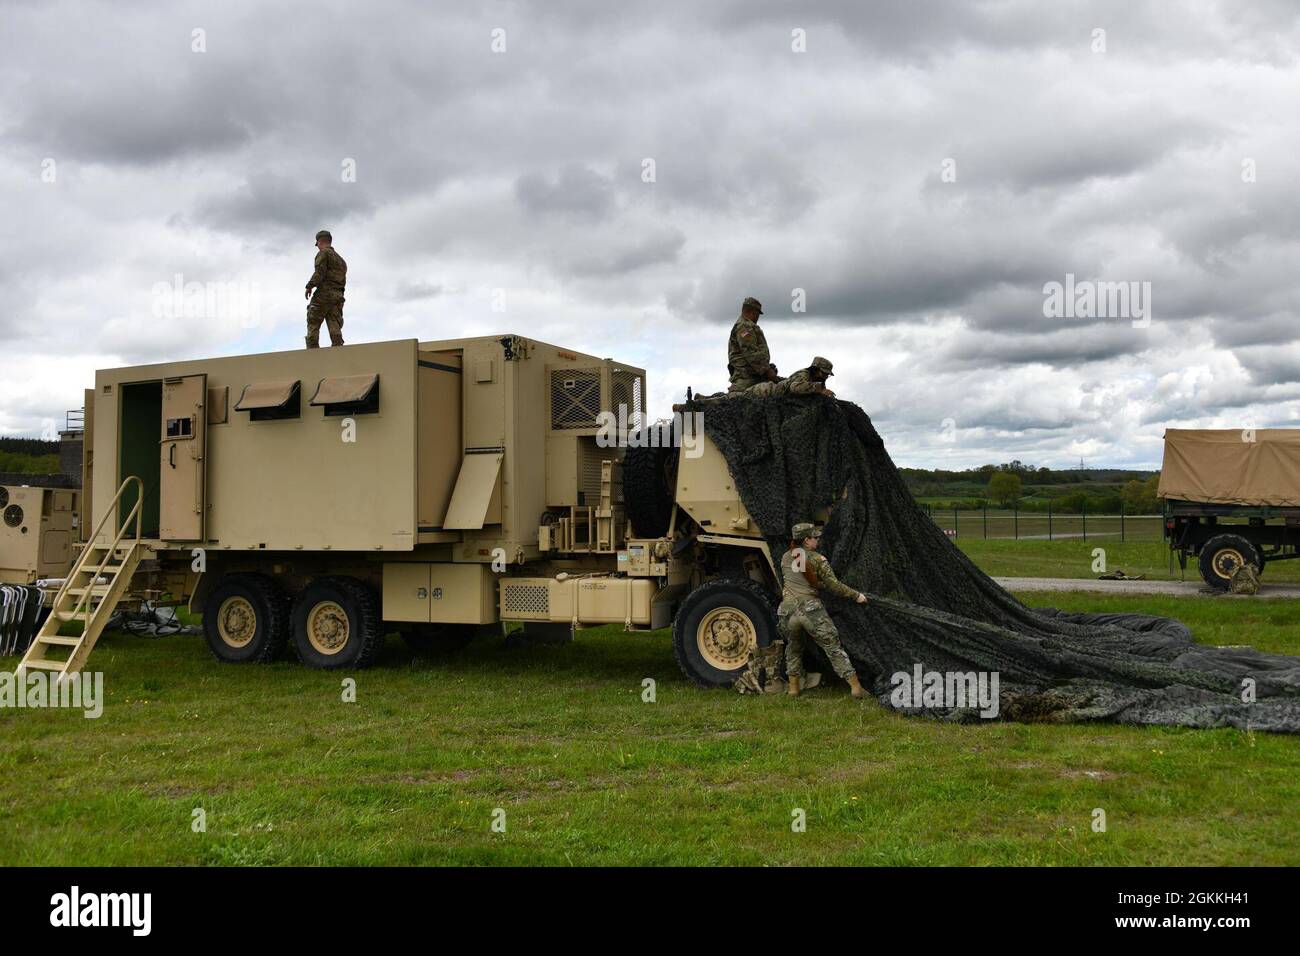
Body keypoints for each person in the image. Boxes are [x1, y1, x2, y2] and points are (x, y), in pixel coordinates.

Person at [779, 522, 867, 698]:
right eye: (815, 537)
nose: (818, 540)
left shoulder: (785, 558)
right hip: (810, 610)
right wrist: (856, 595)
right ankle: (856, 687)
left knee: (793, 648)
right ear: (806, 540)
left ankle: (793, 688)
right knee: (833, 648)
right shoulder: (818, 559)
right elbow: (833, 585)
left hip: (787, 611)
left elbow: (797, 580)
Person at [726, 296, 779, 393]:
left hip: (753, 375)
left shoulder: (746, 325)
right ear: (752, 311)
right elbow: (750, 352)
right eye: (758, 313)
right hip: (747, 378)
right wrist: (767, 371)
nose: (758, 317)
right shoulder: (744, 326)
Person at [305, 230, 347, 348]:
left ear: (320, 241)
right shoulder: (341, 261)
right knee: (334, 324)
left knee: (313, 321)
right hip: (338, 296)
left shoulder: (323, 253)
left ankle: (312, 354)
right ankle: (338, 350)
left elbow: (320, 272)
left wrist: (309, 286)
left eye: (317, 243)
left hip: (324, 294)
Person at [746, 356, 837, 398]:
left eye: (827, 375)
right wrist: (819, 389)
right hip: (764, 391)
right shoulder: (804, 374)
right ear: (816, 370)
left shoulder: (814, 380)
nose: (825, 377)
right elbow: (795, 387)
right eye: (824, 373)